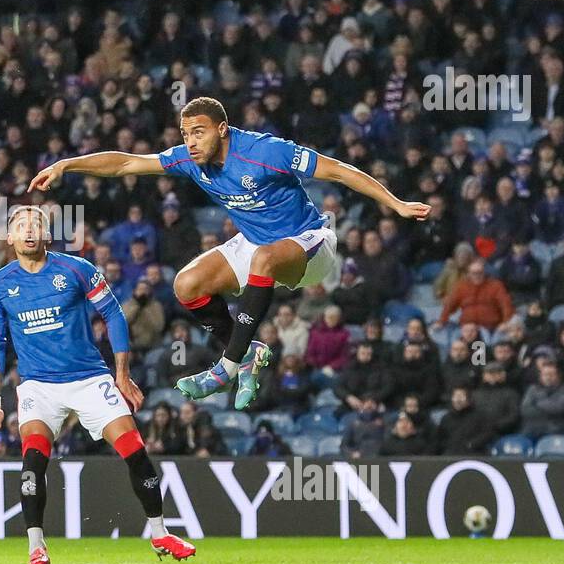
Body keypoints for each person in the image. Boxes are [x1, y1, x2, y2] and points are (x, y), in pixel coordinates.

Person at [30, 96, 428, 412]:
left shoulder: (264, 151)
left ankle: (226, 366)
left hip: (311, 243)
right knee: (186, 284)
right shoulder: (190, 159)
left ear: (222, 129)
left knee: (264, 259)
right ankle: (249, 352)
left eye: (198, 132)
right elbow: (126, 164)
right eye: (186, 134)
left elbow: (339, 170)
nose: (190, 142)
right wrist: (69, 164)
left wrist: (395, 204)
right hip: (256, 243)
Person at [0, 205, 195, 564]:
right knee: (34, 457)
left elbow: (113, 313)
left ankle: (159, 532)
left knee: (134, 449)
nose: (29, 230)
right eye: (21, 225)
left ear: (47, 235)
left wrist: (121, 372)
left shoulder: (76, 269)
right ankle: (36, 545)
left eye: (37, 225)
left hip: (89, 378)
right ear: (10, 237)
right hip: (38, 386)